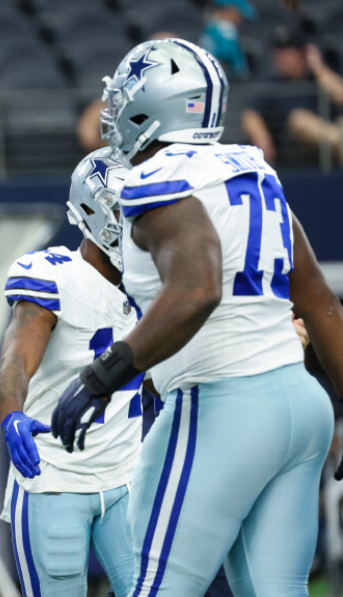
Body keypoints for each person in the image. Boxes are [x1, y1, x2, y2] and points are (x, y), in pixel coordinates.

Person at [53, 38, 343, 595]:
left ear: (153, 103)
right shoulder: (253, 170)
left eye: (124, 96)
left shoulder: (156, 179)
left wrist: (102, 376)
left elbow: (197, 289)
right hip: (301, 407)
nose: (115, 110)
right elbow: (319, 300)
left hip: (223, 405)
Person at [0, 148, 140, 596]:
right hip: (54, 480)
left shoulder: (159, 282)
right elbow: (14, 361)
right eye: (124, 210)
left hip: (129, 476)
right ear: (93, 212)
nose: (138, 221)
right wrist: (12, 413)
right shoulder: (54, 276)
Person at [241, 25, 343, 165]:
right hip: (298, 150)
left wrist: (318, 67)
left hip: (331, 152)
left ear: (303, 54)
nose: (280, 58)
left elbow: (340, 96)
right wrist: (260, 135)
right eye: (278, 52)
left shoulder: (319, 77)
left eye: (287, 52)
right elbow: (250, 114)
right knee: (299, 119)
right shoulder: (273, 85)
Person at [199, 0, 255, 79]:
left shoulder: (223, 32)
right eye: (238, 14)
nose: (240, 20)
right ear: (230, 11)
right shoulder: (222, 33)